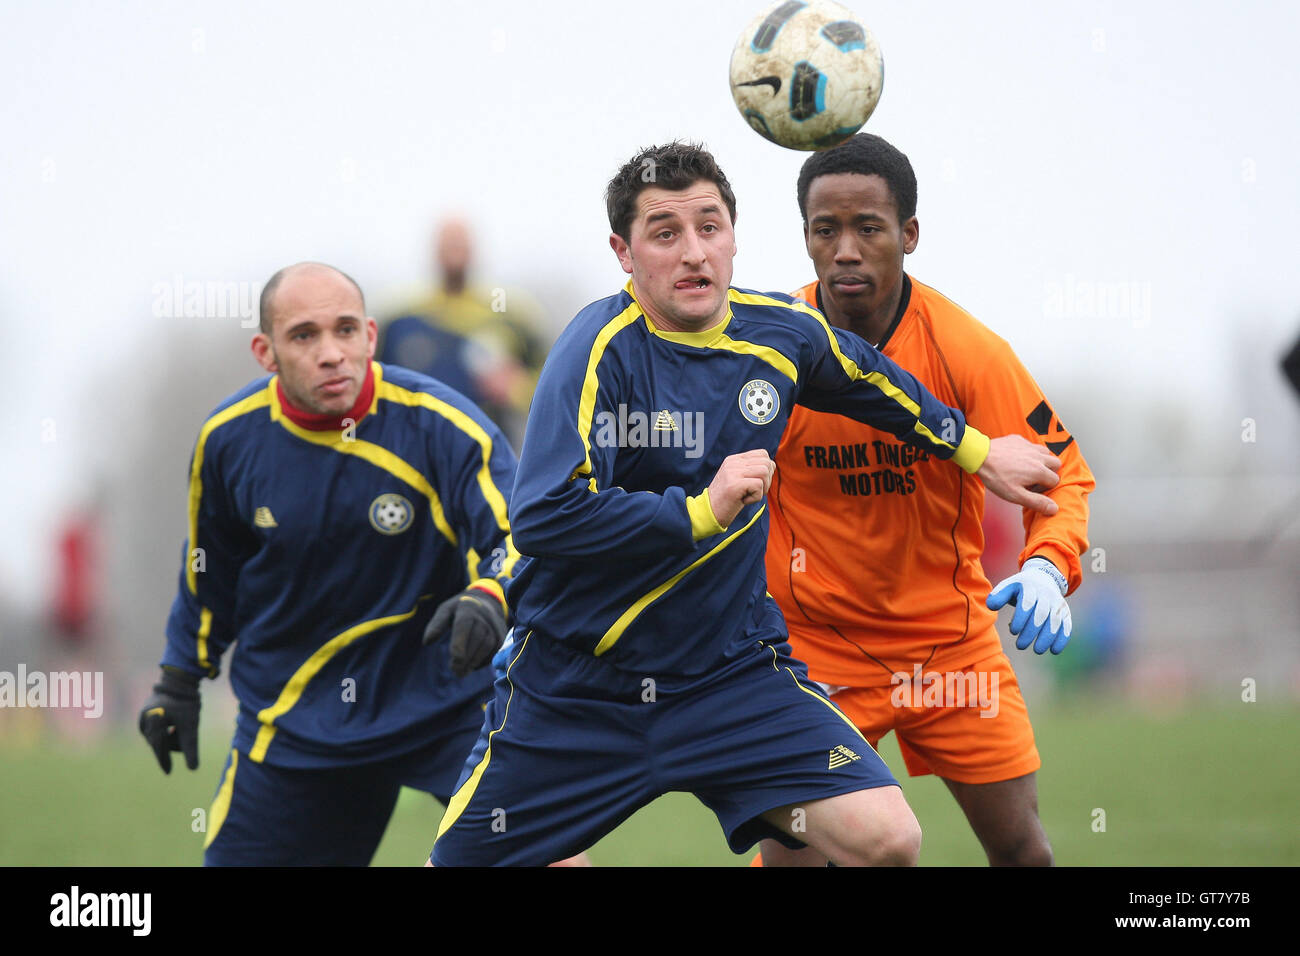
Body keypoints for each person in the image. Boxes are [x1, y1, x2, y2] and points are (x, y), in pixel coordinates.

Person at [427, 143, 1063, 867]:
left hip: (728, 679)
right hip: (578, 688)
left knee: (889, 839)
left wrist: (978, 452)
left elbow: (877, 384)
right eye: (665, 233)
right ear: (624, 252)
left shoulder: (782, 334)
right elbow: (544, 516)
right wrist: (699, 512)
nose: (694, 251)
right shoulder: (594, 349)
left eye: (710, 226)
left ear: (735, 235)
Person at [755, 134, 1095, 867]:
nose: (846, 249)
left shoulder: (966, 349)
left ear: (908, 234)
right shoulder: (769, 352)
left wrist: (1046, 566)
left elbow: (1060, 476)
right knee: (795, 862)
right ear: (806, 238)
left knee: (1024, 853)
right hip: (814, 658)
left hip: (950, 647)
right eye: (826, 229)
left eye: (868, 227)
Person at [138, 262, 523, 866]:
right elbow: (209, 577)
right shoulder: (227, 440)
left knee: (548, 854)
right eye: (304, 336)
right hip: (297, 718)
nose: (331, 353)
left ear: (371, 336)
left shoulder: (442, 425)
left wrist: (491, 595)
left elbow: (521, 535)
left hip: (444, 703)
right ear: (265, 352)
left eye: (345, 331)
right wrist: (179, 678)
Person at [378, 218, 549, 448]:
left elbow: (555, 387)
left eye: (460, 244)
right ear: (434, 251)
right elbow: (371, 385)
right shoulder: (400, 318)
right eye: (448, 244)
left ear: (474, 250)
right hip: (414, 453)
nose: (454, 251)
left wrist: (517, 387)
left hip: (490, 454)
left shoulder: (511, 314)